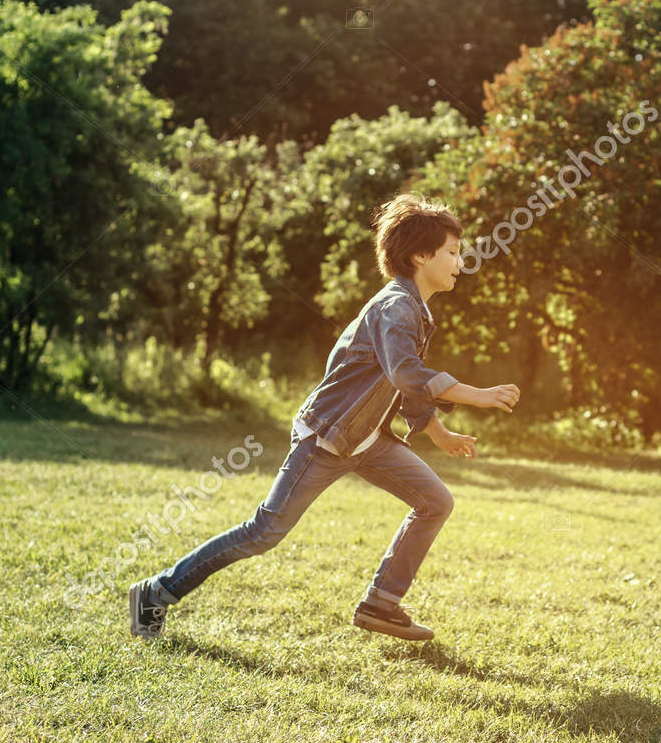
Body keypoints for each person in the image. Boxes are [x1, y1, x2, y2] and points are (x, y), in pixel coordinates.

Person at [129, 192, 520, 642]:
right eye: (452, 251)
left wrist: (439, 431)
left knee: (436, 502)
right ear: (419, 254)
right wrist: (477, 394)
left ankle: (381, 604)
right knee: (264, 532)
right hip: (327, 438)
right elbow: (405, 372)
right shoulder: (395, 307)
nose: (460, 260)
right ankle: (154, 593)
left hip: (369, 442)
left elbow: (401, 387)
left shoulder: (415, 309)